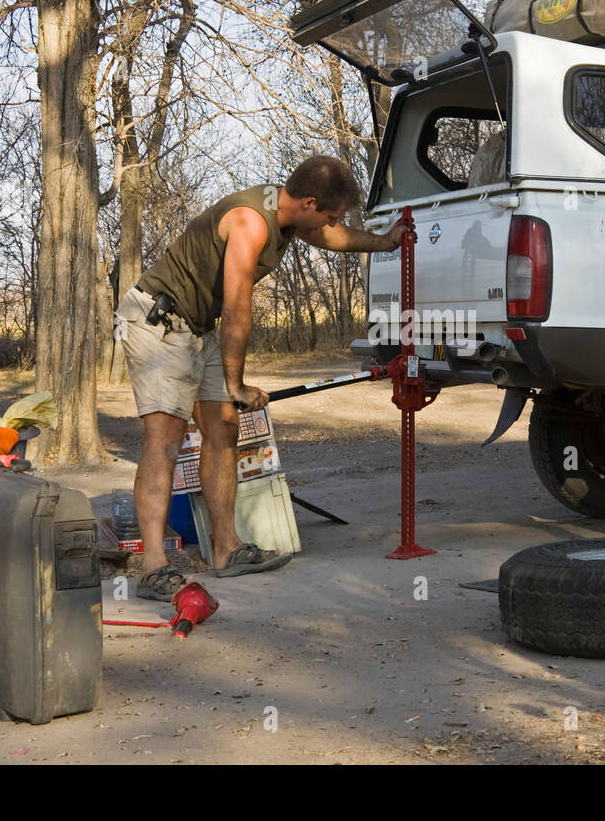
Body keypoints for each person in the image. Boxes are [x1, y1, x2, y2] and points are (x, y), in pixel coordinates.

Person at [116, 155, 405, 599]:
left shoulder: (289, 211)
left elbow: (334, 236)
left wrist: (385, 243)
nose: (332, 222)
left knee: (224, 428)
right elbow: (236, 310)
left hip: (194, 324)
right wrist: (236, 385)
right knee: (165, 438)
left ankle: (226, 548)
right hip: (158, 319)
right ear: (309, 202)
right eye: (329, 212)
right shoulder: (251, 223)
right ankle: (153, 566)